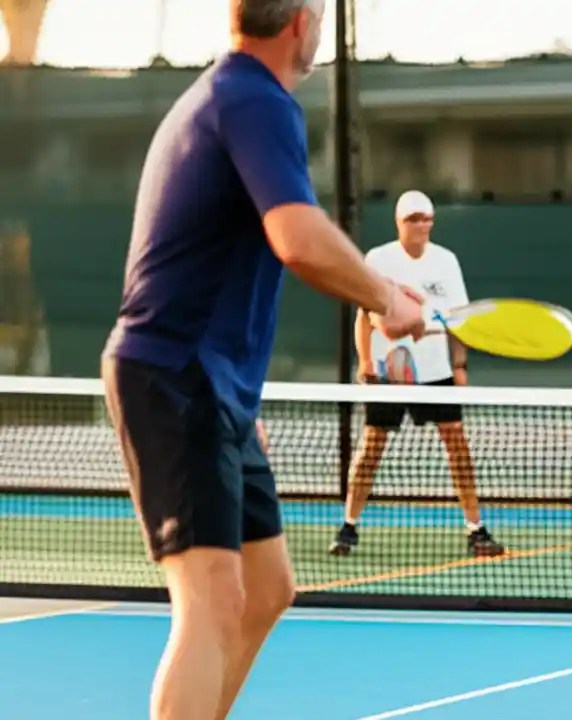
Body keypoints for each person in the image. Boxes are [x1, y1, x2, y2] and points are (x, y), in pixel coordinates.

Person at [99, 2, 425, 718]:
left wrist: (242, 409)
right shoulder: (253, 97)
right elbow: (299, 239)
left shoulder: (233, 96)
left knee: (267, 588)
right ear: (302, 22)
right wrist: (386, 300)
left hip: (212, 390)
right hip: (173, 376)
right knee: (212, 601)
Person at [328, 190, 505, 558]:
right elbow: (365, 314)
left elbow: (459, 320)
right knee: (372, 448)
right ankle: (348, 526)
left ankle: (476, 528)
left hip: (436, 372)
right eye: (414, 219)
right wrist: (365, 363)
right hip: (387, 371)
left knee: (458, 447)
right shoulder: (379, 259)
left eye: (426, 218)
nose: (422, 225)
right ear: (399, 222)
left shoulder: (446, 261)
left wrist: (459, 366)